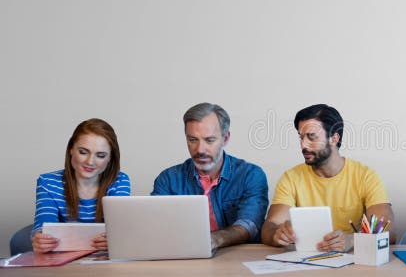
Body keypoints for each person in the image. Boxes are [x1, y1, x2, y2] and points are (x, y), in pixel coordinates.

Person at [262, 104, 394, 252]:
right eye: (301, 137)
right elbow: (269, 227)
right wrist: (276, 234)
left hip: (352, 261)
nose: (303, 145)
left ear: (334, 138)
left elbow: (389, 231)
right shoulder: (291, 178)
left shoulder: (365, 176)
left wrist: (352, 240)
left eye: (311, 137)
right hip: (306, 259)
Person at [152, 103, 268, 250]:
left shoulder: (250, 175)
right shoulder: (168, 179)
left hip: (235, 257)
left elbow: (249, 225)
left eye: (209, 140)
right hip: (183, 254)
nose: (200, 149)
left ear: (225, 138)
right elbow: (156, 225)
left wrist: (215, 239)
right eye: (193, 140)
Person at [32, 118, 130, 253]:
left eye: (101, 155)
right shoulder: (47, 182)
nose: (90, 162)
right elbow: (43, 226)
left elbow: (119, 228)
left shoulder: (119, 181)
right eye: (83, 152)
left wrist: (115, 239)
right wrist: (41, 239)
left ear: (110, 159)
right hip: (63, 259)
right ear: (71, 149)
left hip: (104, 259)